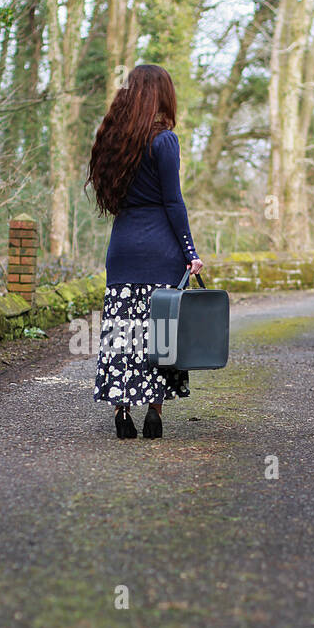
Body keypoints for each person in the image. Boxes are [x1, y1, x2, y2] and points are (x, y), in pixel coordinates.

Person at [86, 64, 203, 440]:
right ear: (162, 95)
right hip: (159, 251)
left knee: (124, 331)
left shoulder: (114, 142)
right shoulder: (164, 140)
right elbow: (173, 201)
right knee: (159, 333)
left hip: (122, 251)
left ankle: (122, 413)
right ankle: (154, 412)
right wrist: (190, 250)